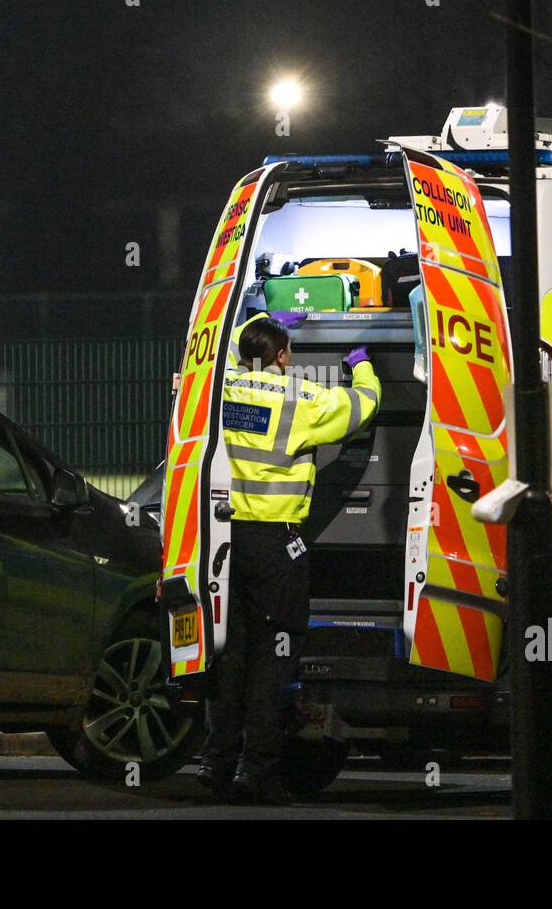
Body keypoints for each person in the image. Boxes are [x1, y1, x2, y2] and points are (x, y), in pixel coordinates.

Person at [198, 314, 381, 804]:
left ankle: (215, 765)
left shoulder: (219, 389)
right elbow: (361, 408)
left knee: (228, 658)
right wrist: (362, 367)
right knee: (271, 664)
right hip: (276, 549)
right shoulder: (299, 399)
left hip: (220, 544)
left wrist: (264, 323)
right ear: (280, 356)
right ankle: (255, 773)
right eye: (289, 351)